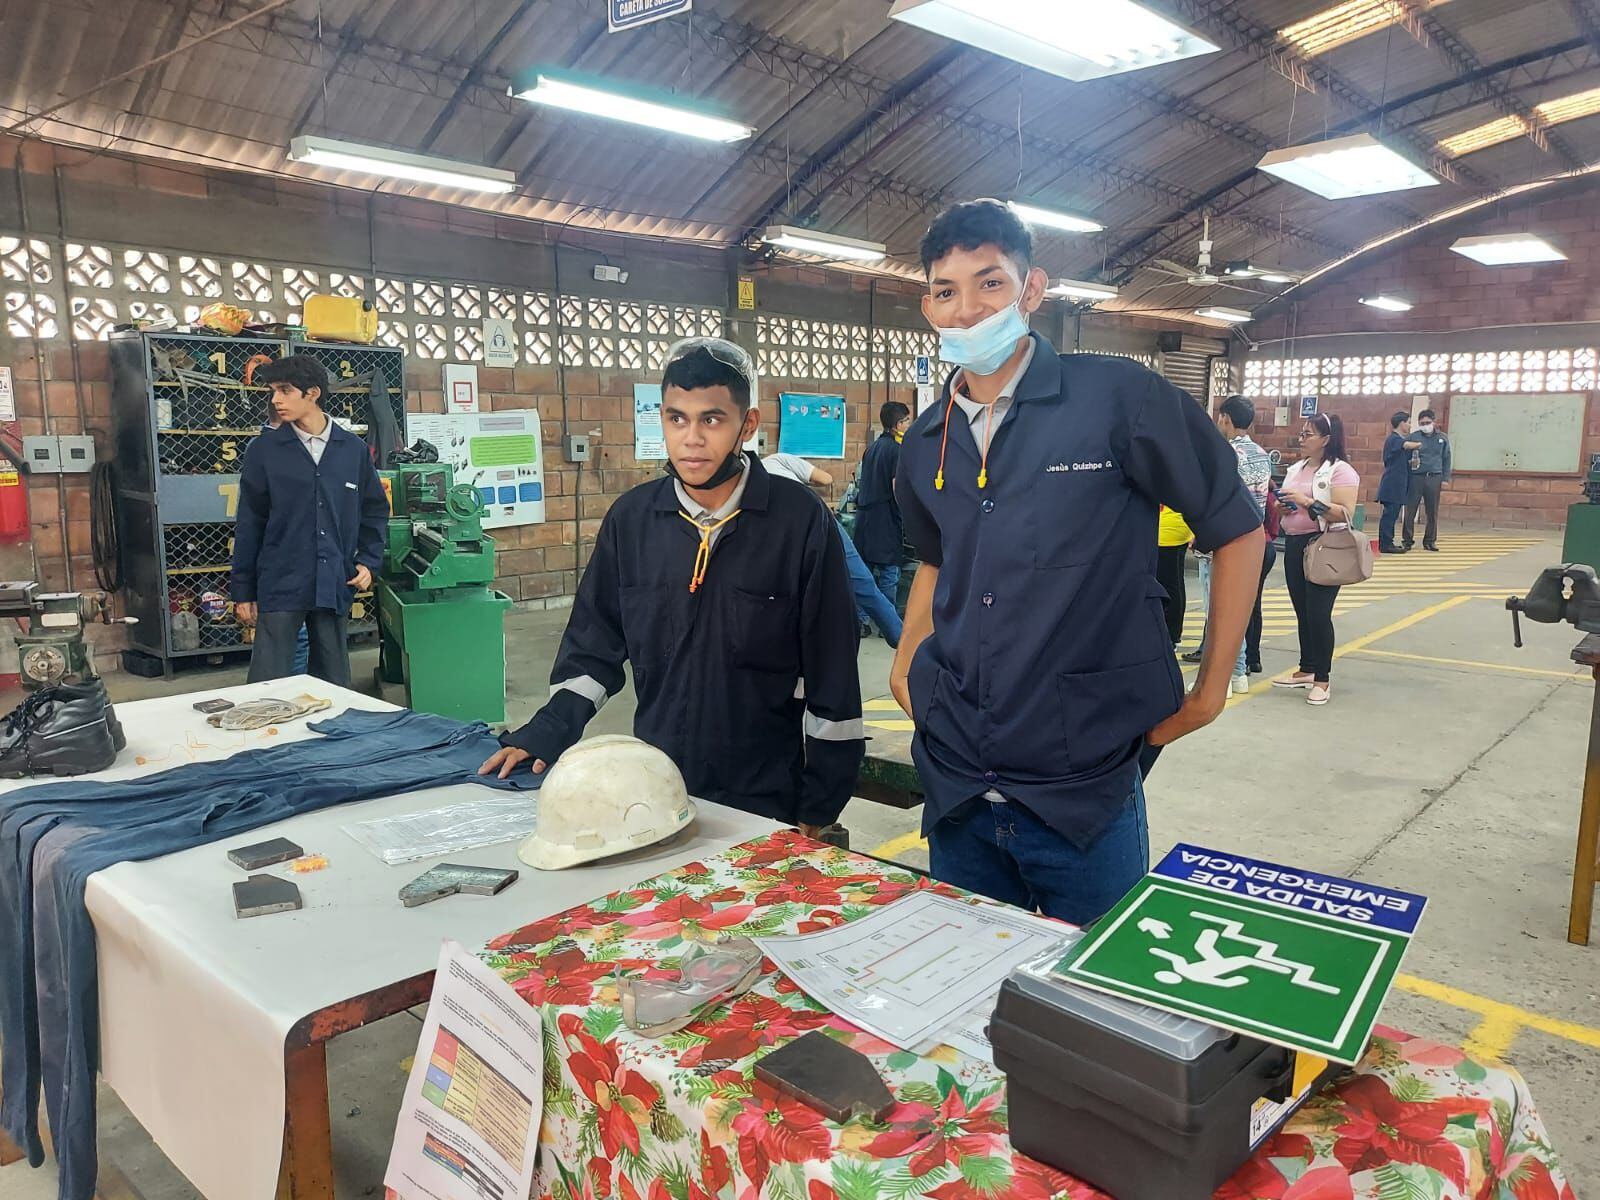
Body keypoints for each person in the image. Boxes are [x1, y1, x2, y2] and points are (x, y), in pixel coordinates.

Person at [890, 198, 1264, 924]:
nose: (966, 310)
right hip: (959, 779)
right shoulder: (926, 438)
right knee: (967, 987)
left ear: (1032, 289)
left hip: (1083, 783)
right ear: (927, 304)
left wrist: (1212, 688)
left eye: (990, 283)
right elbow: (936, 564)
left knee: (1094, 1009)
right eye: (946, 290)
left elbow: (1236, 528)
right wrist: (906, 665)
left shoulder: (1119, 399)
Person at [479, 338, 864, 837]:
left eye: (712, 419)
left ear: (747, 426)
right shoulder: (634, 521)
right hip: (656, 789)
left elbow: (832, 669)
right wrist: (547, 732)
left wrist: (821, 804)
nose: (692, 439)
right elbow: (594, 647)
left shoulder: (799, 522)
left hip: (765, 797)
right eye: (676, 419)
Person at [231, 354, 388, 686]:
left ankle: (332, 735)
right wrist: (243, 591)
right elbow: (250, 522)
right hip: (280, 580)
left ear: (313, 393)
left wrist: (368, 562)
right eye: (273, 391)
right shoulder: (264, 450)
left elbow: (374, 510)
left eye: (285, 390)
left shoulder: (353, 450)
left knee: (332, 682)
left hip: (334, 579)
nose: (276, 399)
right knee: (267, 682)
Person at [762, 451, 903, 648]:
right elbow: (825, 478)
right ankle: (901, 640)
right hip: (819, 521)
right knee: (864, 586)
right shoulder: (777, 459)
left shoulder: (741, 484)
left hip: (780, 535)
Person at [1184, 396, 1273, 692]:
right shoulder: (1261, 454)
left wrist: (1199, 537)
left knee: (1218, 611)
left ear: (1224, 419)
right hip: (1253, 541)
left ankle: (1225, 675)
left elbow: (1214, 500)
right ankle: (1239, 673)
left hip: (1222, 543)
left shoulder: (1224, 454)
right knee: (1239, 608)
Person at [1272, 413, 1359, 706]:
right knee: (1302, 610)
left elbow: (1344, 512)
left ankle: (1323, 678)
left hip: (1323, 546)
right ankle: (1307, 668)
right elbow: (1289, 502)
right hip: (1295, 544)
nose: (1302, 439)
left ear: (1326, 439)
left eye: (1308, 435)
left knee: (1319, 613)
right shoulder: (1297, 468)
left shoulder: (1340, 471)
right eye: (1301, 434)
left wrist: (1307, 501)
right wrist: (1282, 508)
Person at [853, 401, 912, 618]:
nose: (909, 424)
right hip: (885, 521)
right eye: (906, 420)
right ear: (897, 425)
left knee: (865, 574)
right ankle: (888, 620)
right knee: (889, 573)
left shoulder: (872, 449)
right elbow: (898, 488)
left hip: (865, 520)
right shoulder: (896, 450)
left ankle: (862, 619)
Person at [1403, 407, 1451, 552]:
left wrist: (1445, 478)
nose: (1425, 425)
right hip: (1416, 477)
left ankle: (1430, 541)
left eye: (1427, 422)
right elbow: (1405, 455)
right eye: (1422, 423)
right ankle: (1407, 540)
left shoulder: (1442, 438)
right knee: (1410, 510)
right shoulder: (1413, 437)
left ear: (1433, 422)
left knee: (1432, 511)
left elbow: (1447, 458)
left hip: (1434, 478)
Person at [1379, 411, 1421, 555]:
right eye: (1408, 422)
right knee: (1389, 515)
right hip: (1392, 484)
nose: (1409, 425)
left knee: (1392, 514)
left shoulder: (1399, 441)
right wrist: (1421, 443)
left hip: (1399, 484)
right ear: (1401, 423)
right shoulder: (1394, 439)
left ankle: (1387, 542)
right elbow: (1408, 445)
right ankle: (1385, 544)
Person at [1156, 506, 1193, 648]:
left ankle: (1171, 635)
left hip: (1167, 531)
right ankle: (1175, 632)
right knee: (1176, 583)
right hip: (1179, 527)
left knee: (1167, 584)